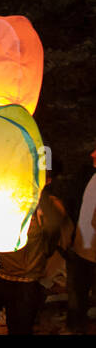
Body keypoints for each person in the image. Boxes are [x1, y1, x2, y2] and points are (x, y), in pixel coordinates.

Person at [0, 177, 69, 335]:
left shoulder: (49, 206)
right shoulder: (0, 196)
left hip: (23, 282)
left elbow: (51, 241)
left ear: (48, 180)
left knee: (20, 328)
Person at [64, 141, 96, 332]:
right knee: (77, 294)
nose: (93, 153)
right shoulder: (86, 175)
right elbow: (75, 202)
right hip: (80, 247)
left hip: (92, 249)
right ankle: (76, 325)